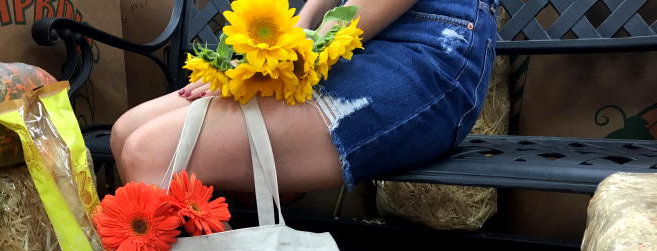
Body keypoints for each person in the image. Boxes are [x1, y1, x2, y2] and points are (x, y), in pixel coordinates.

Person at [110, 0, 498, 192]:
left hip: (432, 45)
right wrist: (294, 35)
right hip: (346, 39)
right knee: (127, 131)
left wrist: (278, 61)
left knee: (150, 153)